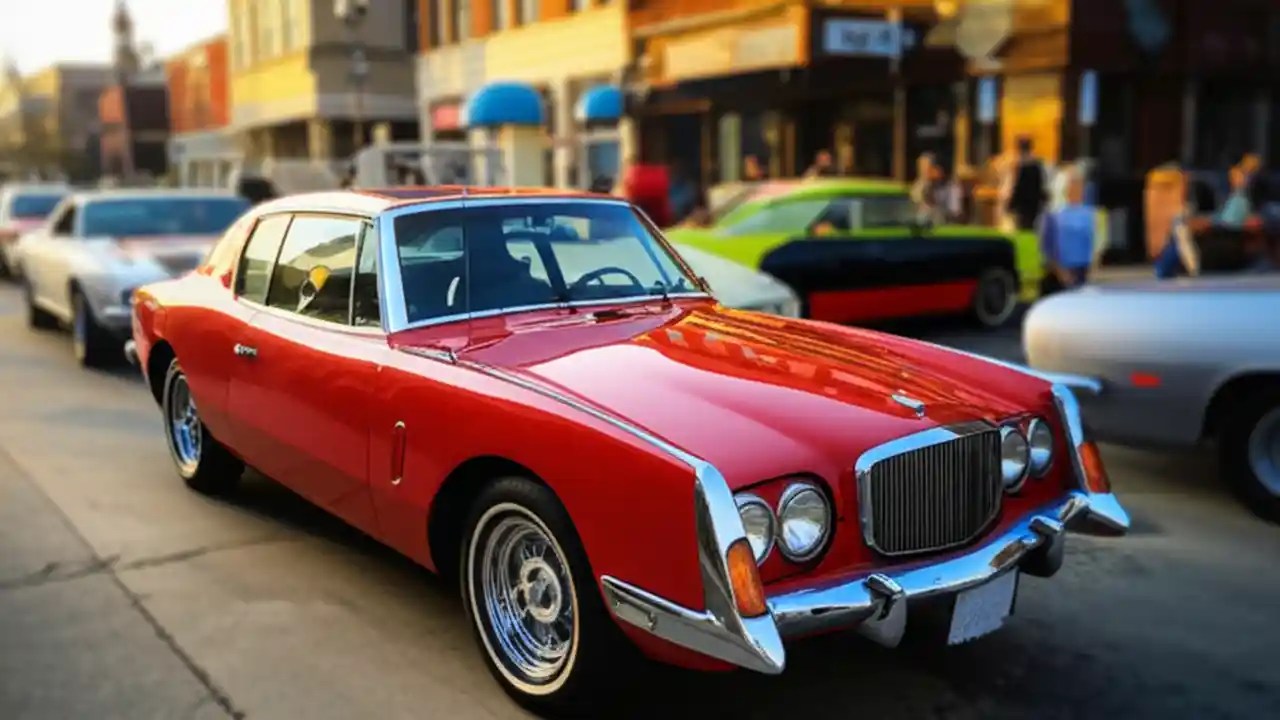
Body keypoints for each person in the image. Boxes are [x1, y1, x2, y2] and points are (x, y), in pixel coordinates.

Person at [1039, 166, 1097, 292]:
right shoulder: (1054, 214)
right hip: (1060, 271)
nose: (1076, 189)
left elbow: (1094, 242)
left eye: (1079, 185)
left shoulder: (1089, 213)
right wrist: (1060, 271)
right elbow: (1047, 245)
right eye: (1073, 185)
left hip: (1082, 269)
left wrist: (1093, 266)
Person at [1153, 165, 1201, 280]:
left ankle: (1192, 268)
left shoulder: (1185, 202)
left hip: (1181, 216)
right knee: (1180, 238)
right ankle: (1191, 268)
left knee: (1182, 238)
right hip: (1166, 260)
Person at [1008, 136, 1048, 230]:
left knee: (1023, 225)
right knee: (1031, 225)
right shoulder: (1037, 165)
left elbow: (1018, 186)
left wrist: (1012, 202)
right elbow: (1041, 184)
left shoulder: (1020, 165)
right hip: (1034, 201)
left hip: (1023, 202)